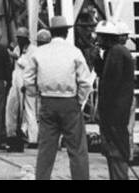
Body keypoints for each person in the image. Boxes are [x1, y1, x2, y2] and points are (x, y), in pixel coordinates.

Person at [25, 14, 93, 181]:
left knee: (46, 148)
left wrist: (36, 94)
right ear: (66, 33)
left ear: (51, 33)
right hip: (69, 102)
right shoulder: (74, 52)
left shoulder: (39, 53)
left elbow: (28, 79)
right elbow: (85, 82)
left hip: (47, 101)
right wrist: (79, 100)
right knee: (77, 149)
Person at [95, 19, 135, 181]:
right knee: (114, 151)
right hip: (117, 112)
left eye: (99, 37)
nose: (97, 40)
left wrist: (101, 111)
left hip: (114, 114)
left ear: (105, 37)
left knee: (116, 152)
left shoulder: (116, 53)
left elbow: (109, 84)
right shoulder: (116, 52)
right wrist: (98, 60)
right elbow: (106, 75)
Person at [5, 27, 37, 151]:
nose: (19, 41)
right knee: (11, 108)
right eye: (18, 38)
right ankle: (11, 135)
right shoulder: (17, 49)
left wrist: (16, 57)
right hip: (16, 82)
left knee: (29, 111)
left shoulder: (33, 50)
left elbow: (30, 66)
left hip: (27, 83)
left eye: (21, 39)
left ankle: (33, 139)